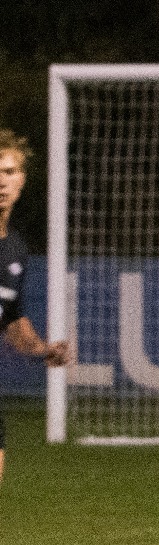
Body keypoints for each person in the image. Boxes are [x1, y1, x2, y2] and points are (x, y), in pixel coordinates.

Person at [0, 130, 74, 487]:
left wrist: (41, 347)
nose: (2, 181)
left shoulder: (15, 249)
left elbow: (12, 319)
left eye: (9, 171)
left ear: (22, 179)